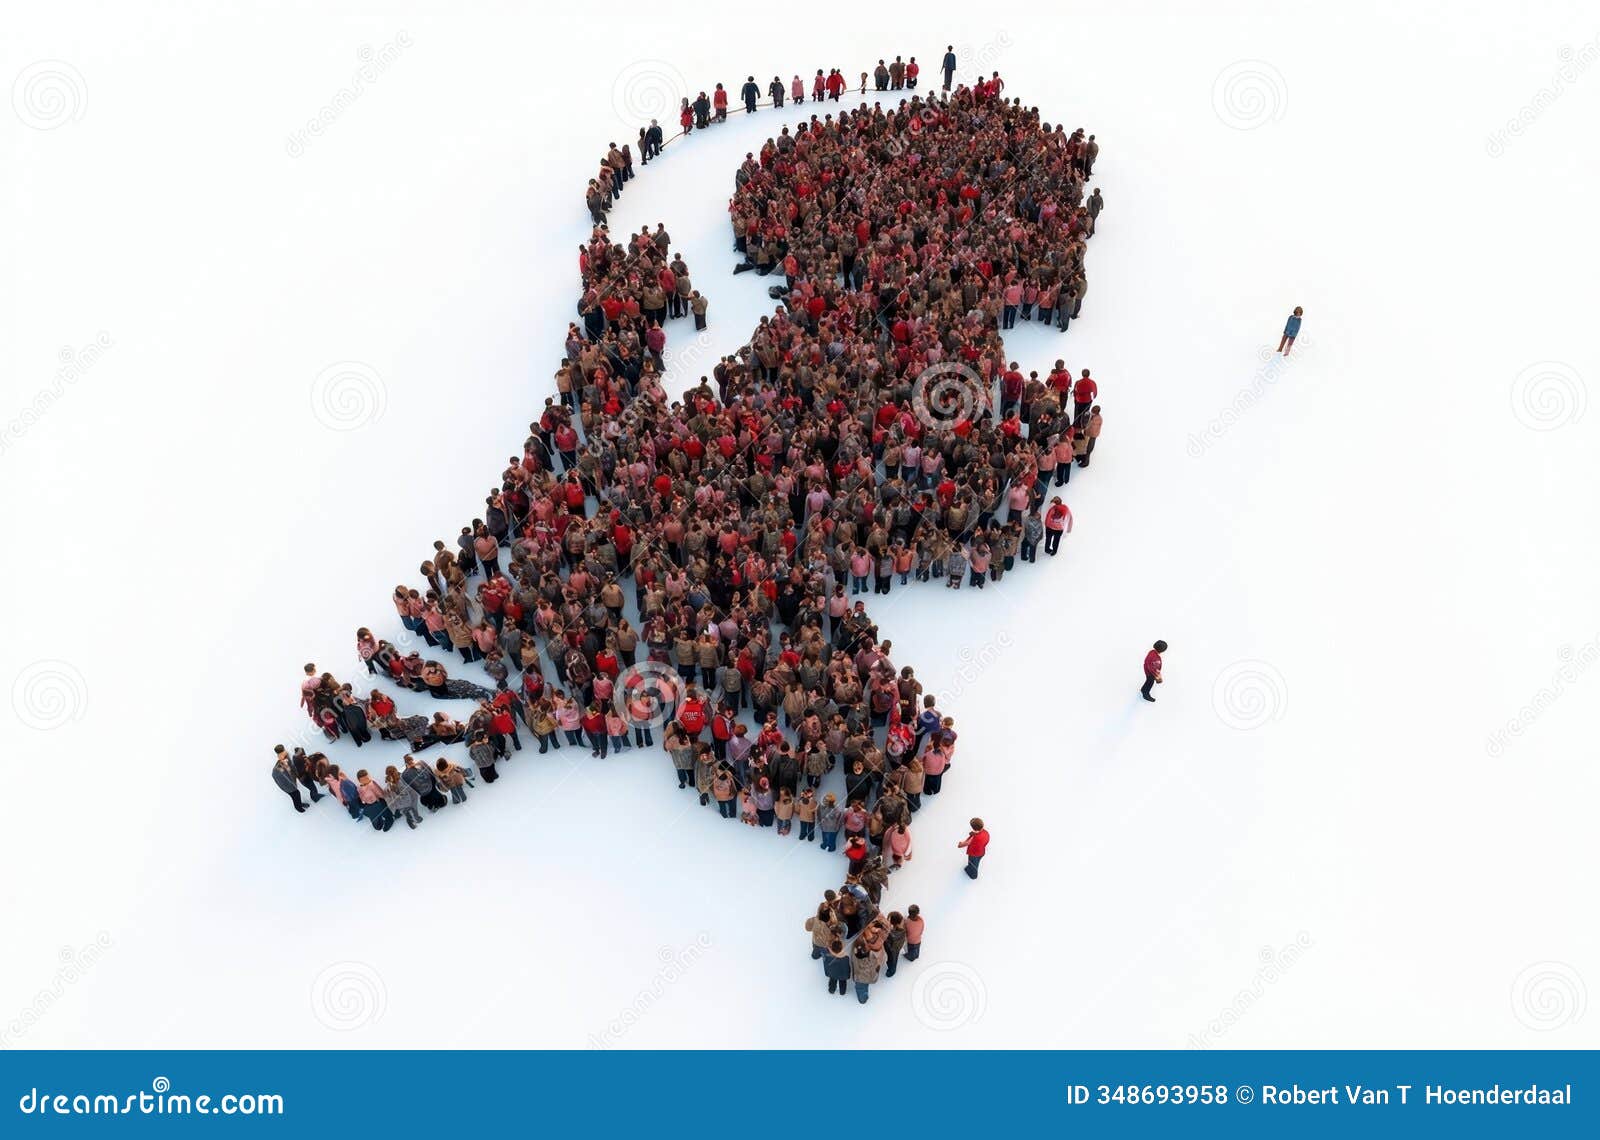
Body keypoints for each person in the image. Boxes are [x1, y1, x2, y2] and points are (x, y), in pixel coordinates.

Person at [850, 939, 886, 1003]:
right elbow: (878, 965)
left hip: (859, 979)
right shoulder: (872, 960)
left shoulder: (857, 960)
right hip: (869, 978)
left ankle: (862, 999)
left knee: (860, 988)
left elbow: (854, 955)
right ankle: (864, 994)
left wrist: (855, 949)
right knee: (865, 986)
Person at [272, 747, 306, 812]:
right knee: (296, 794)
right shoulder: (278, 769)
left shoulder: (284, 758)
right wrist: (293, 783)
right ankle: (299, 808)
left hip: (287, 783)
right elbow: (286, 774)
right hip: (287, 786)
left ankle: (299, 804)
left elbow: (290, 767)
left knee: (296, 795)